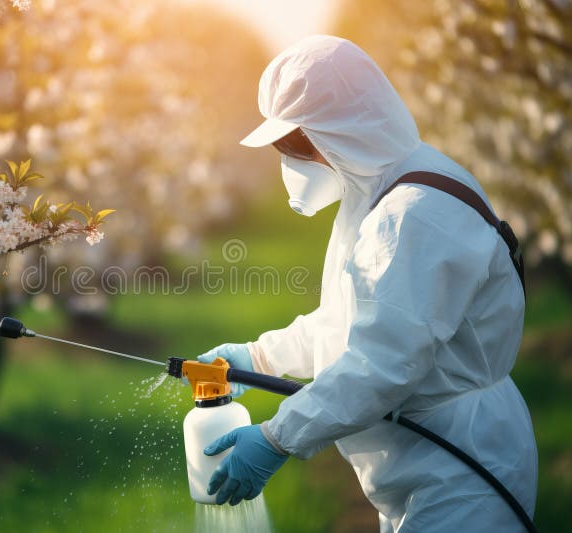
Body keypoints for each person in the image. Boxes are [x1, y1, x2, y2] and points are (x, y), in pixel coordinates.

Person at [197, 35, 538, 532]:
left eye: (297, 144)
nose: (290, 160)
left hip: (462, 469)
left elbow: (382, 364)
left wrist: (277, 437)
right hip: (419, 464)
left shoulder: (416, 213)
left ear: (343, 131)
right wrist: (257, 357)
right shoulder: (379, 190)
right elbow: (351, 321)